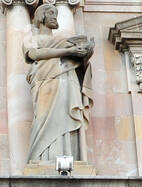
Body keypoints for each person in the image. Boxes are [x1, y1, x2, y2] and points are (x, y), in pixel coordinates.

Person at [24, 1, 94, 164]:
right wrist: (69, 51)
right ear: (41, 17)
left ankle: (67, 157)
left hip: (67, 81)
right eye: (51, 14)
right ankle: (42, 156)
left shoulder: (64, 41)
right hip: (45, 82)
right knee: (43, 117)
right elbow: (34, 54)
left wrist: (85, 51)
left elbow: (80, 59)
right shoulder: (32, 40)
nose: (55, 18)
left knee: (65, 115)